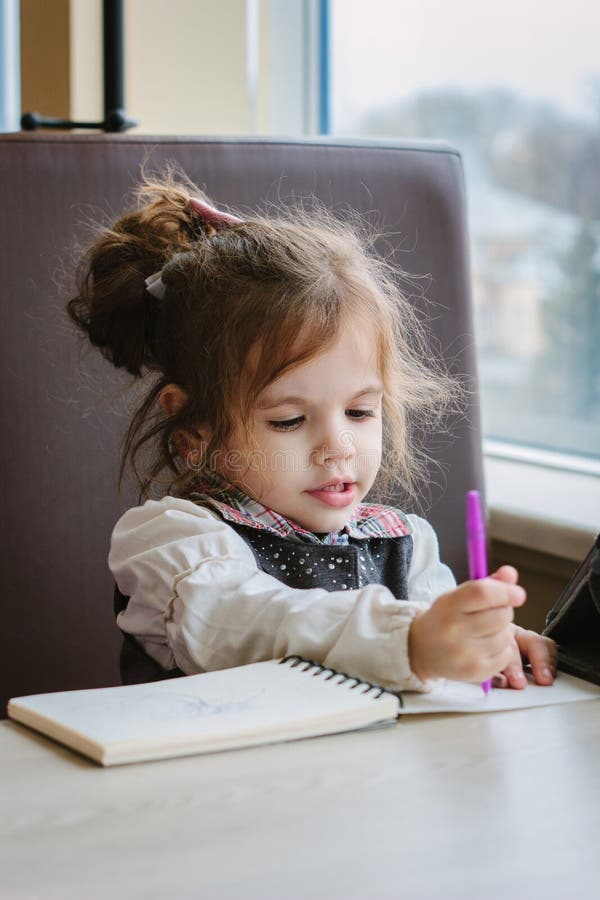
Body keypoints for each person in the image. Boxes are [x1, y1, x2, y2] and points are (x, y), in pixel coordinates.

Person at [68, 170, 557, 692]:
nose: (338, 448)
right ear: (196, 431)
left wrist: (483, 644)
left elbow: (442, 662)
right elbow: (259, 621)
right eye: (290, 421)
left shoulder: (406, 546)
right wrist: (410, 641)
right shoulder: (173, 543)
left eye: (361, 412)